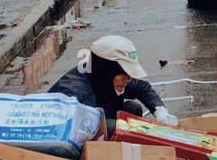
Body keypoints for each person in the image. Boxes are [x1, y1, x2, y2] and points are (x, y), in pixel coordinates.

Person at [50, 35, 178, 135]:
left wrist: (160, 111)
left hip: (97, 116)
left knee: (132, 109)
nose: (128, 79)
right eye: (124, 75)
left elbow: (141, 87)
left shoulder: (103, 75)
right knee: (114, 127)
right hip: (64, 142)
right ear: (107, 71)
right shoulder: (78, 97)